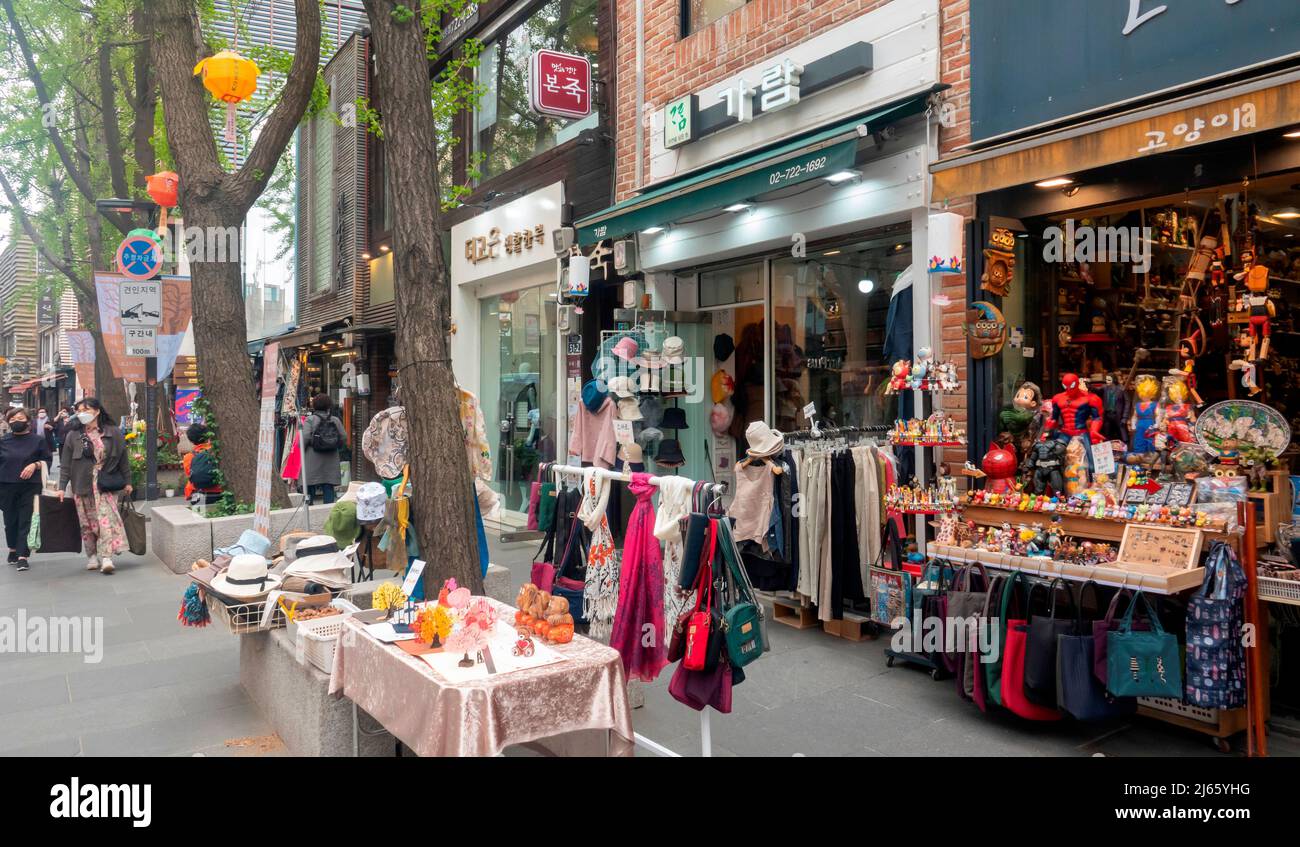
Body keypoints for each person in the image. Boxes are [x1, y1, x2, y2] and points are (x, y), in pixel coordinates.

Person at [58, 398, 131, 574]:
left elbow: (123, 458)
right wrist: (62, 486)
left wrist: (128, 481)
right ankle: (91, 555)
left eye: (87, 409)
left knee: (105, 519)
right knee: (87, 523)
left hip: (105, 483)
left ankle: (106, 557)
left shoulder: (113, 432)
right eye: (79, 409)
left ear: (97, 411)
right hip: (81, 485)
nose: (82, 412)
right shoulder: (73, 435)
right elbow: (66, 463)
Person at [0, 408, 52, 572]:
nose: (16, 420)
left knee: (26, 520)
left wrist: (35, 465)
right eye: (13, 418)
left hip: (30, 486)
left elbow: (47, 459)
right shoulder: (3, 441)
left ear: (28, 421)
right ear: (8, 422)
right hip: (6, 485)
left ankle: (23, 556)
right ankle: (12, 549)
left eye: (20, 417)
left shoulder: (37, 441)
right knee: (10, 520)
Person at [300, 393, 345, 505]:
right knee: (328, 485)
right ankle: (328, 510)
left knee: (310, 485)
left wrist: (302, 449)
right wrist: (335, 445)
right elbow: (344, 437)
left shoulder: (310, 420)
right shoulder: (335, 420)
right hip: (331, 458)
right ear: (328, 406)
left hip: (312, 458)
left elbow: (304, 438)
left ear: (314, 405)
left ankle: (309, 508)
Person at [183, 423, 223, 503]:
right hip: (219, 491)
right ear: (207, 436)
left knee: (197, 514)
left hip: (197, 493)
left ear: (191, 440)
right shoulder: (217, 452)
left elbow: (190, 475)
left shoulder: (188, 457)